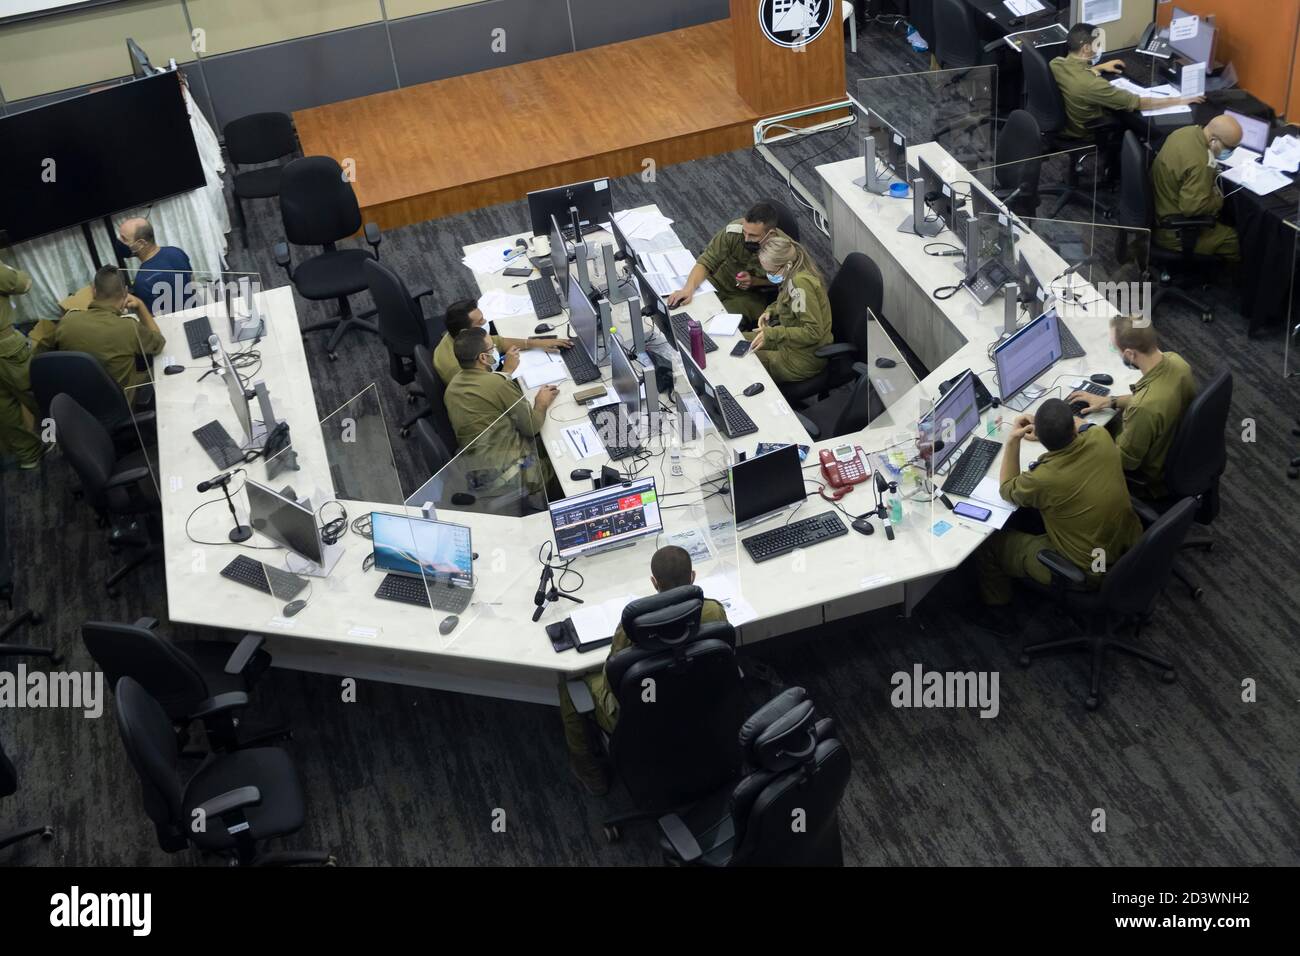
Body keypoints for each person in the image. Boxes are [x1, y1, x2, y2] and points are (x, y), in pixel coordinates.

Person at [557, 545, 730, 795]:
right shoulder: (712, 610)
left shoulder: (631, 627)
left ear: (654, 582)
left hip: (640, 715)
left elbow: (610, 680)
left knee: (569, 686)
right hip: (701, 702)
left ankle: (590, 772)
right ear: (692, 576)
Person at [976, 398, 1142, 606]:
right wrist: (1048, 423)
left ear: (1042, 440)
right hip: (1126, 545)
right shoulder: (1099, 436)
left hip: (1090, 569)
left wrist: (1013, 440)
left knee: (989, 545)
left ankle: (997, 615)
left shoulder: (1044, 478)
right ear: (1072, 428)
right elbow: (1082, 426)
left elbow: (1007, 488)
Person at [1068, 315, 1196, 498]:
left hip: (1150, 476)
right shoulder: (1177, 361)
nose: (1116, 352)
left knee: (1073, 455)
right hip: (1173, 443)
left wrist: (1084, 428)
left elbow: (1124, 462)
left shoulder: (1142, 408)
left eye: (1114, 348)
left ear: (1129, 354)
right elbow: (1154, 396)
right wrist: (1110, 401)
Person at [443, 327, 560, 501]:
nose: (496, 350)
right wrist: (541, 403)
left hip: (477, 467)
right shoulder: (497, 384)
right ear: (483, 358)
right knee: (563, 464)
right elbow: (531, 427)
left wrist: (505, 374)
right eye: (492, 348)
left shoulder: (452, 387)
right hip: (508, 475)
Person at [1052, 23, 1203, 142]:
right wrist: (1180, 100)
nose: (1099, 48)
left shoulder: (1056, 64)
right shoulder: (1092, 85)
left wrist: (1100, 67)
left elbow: (1077, 74)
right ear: (1086, 48)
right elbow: (1137, 102)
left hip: (1068, 124)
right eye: (1097, 44)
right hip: (1087, 131)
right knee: (1135, 125)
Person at [34, 266, 166, 397]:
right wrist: (140, 306)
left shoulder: (67, 320)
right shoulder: (129, 327)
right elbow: (158, 343)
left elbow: (41, 354)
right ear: (126, 292)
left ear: (94, 291)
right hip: (120, 406)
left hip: (78, 405)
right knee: (160, 369)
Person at [667, 202, 781, 325]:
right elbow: (706, 261)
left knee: (716, 323)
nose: (746, 239)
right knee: (686, 308)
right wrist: (688, 289)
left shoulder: (784, 250)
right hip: (720, 281)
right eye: (745, 232)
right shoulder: (734, 231)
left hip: (750, 295)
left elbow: (785, 282)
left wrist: (755, 281)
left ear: (770, 235)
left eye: (753, 235)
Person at [743, 233, 832, 385]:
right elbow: (785, 301)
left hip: (803, 357)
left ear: (787, 265)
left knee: (744, 360)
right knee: (737, 341)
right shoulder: (792, 274)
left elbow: (813, 332)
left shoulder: (801, 284)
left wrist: (772, 333)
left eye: (771, 272)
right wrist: (770, 311)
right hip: (790, 343)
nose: (768, 276)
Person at [1150, 115, 1243, 260]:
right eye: (1230, 148)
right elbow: (1192, 209)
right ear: (1213, 140)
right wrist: (1218, 199)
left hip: (1159, 206)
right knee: (1235, 240)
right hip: (1173, 232)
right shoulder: (1200, 163)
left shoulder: (1185, 132)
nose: (1231, 152)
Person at [432, 297, 569, 386]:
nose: (486, 323)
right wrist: (507, 369)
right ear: (464, 332)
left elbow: (499, 342)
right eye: (480, 322)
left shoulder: (461, 337)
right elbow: (490, 391)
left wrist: (536, 343)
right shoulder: (461, 365)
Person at [0, 260, 46, 469]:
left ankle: (29, 455)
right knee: (37, 394)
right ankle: (55, 438)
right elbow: (24, 284)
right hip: (6, 347)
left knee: (4, 408)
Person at [113, 218, 193, 315]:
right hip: (197, 315)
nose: (119, 241)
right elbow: (192, 282)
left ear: (141, 244)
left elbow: (155, 321)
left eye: (124, 239)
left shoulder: (142, 281)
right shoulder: (177, 252)